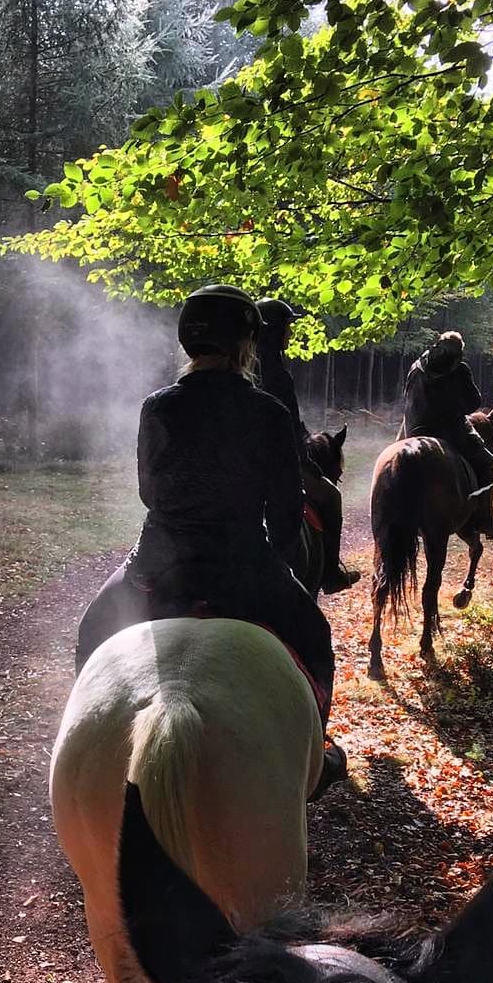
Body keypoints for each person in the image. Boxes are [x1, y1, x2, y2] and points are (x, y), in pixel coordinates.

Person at [75, 284, 339, 749]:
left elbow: (148, 491)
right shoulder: (268, 411)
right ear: (246, 344)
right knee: (315, 636)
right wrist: (274, 557)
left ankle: (84, 731)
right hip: (243, 567)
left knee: (93, 630)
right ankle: (318, 745)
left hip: (158, 565)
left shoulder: (157, 406)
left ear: (187, 343)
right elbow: (283, 511)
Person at [256, 297, 360, 594]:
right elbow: (286, 424)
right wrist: (305, 458)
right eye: (288, 327)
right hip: (276, 464)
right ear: (275, 331)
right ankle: (330, 572)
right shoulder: (276, 371)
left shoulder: (244, 364)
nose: (290, 334)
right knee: (331, 495)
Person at [401, 330, 493, 539]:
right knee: (487, 461)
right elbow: (473, 403)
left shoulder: (416, 366)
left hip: (412, 429)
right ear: (459, 351)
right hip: (448, 430)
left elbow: (407, 396)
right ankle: (485, 518)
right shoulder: (459, 369)